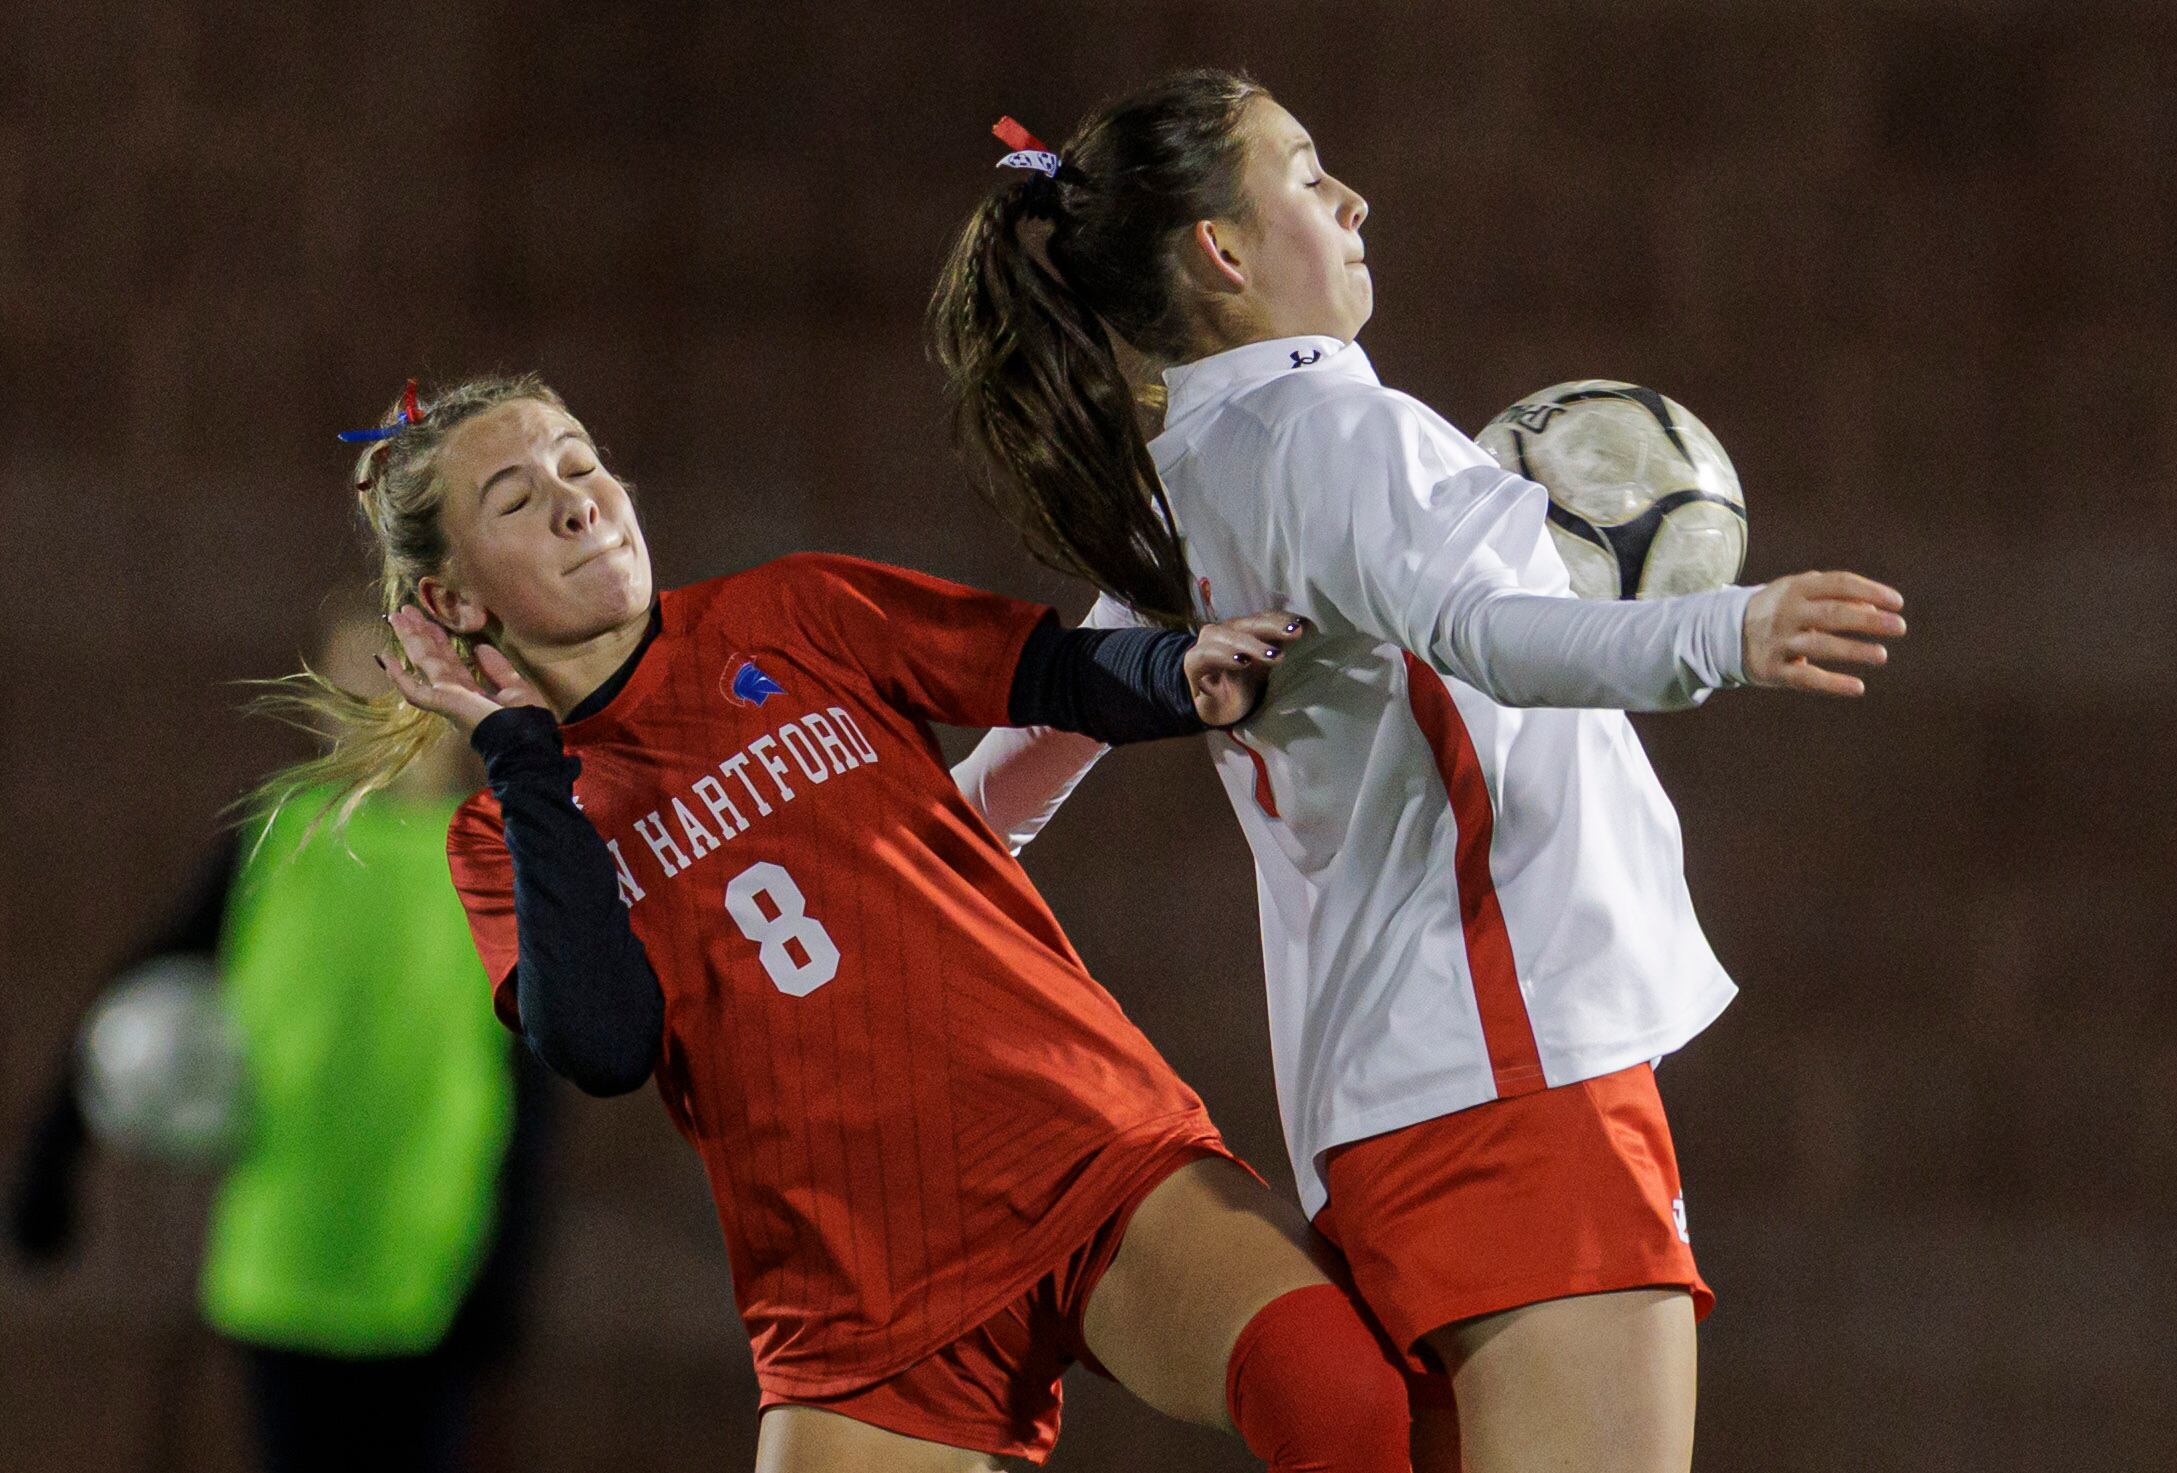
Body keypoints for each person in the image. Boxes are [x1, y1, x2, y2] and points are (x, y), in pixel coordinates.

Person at [931, 72, 1907, 1473]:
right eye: (1307, 170)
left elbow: (1003, 787)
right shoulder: (1339, 430)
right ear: (1221, 248)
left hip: (1382, 1112)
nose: (1351, 199)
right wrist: (1725, 629)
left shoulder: (1180, 482)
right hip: (1514, 1078)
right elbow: (1489, 634)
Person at [279, 371, 1412, 1472]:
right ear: (452, 602)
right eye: (518, 500)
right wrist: (523, 751)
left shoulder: (788, 612)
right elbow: (603, 1043)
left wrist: (1177, 672)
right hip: (858, 1292)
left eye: (582, 464)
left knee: (1351, 1410)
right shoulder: (502, 835)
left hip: (1077, 1151)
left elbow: (1044, 673)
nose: (579, 498)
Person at [6, 601, 552, 1473]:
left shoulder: (499, 858)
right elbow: (138, 991)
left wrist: (508, 1268)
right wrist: (53, 1152)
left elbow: (534, 1082)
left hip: (426, 1270)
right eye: (352, 682)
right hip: (286, 1262)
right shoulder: (275, 832)